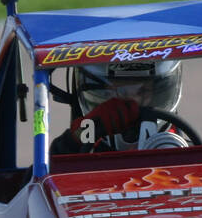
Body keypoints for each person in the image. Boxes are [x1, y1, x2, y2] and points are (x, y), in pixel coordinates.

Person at [50, 59, 189, 154]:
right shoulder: (80, 147)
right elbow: (37, 183)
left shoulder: (185, 154)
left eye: (142, 90)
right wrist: (78, 137)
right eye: (119, 90)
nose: (133, 100)